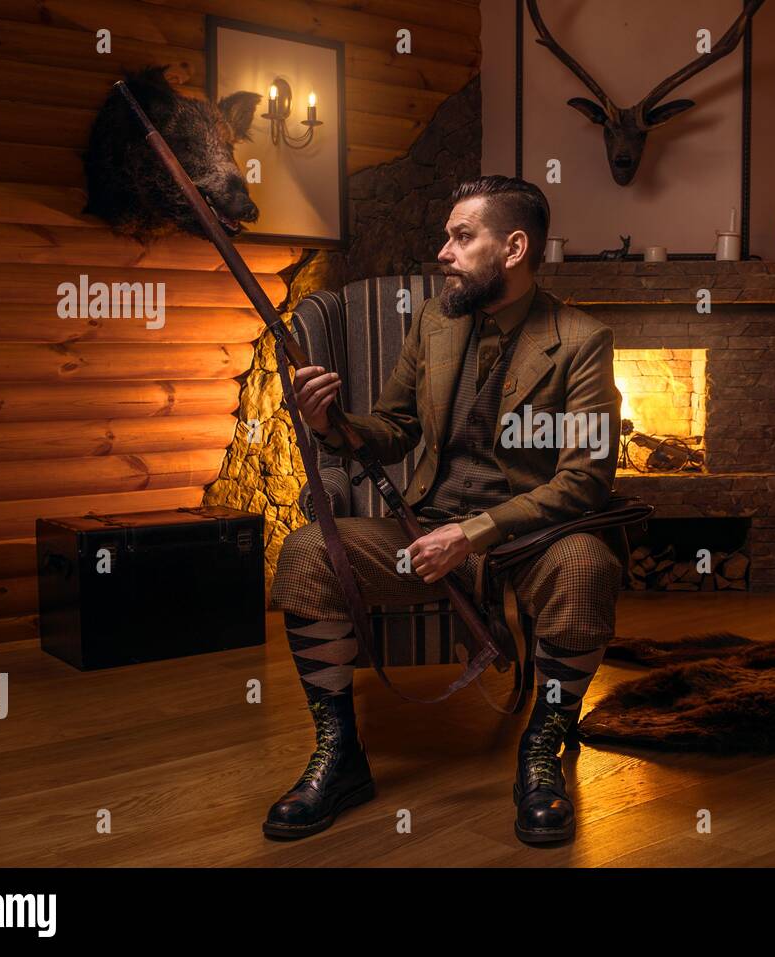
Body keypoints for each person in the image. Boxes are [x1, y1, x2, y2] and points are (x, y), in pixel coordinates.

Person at [264, 175, 623, 844]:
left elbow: (587, 479)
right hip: (424, 524)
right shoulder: (436, 320)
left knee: (587, 567)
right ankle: (339, 753)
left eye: (463, 236)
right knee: (309, 550)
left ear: (514, 247)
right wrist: (332, 422)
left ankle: (542, 746)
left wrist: (477, 531)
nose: (443, 251)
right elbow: (393, 426)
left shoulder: (581, 340)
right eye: (447, 236)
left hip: (530, 538)